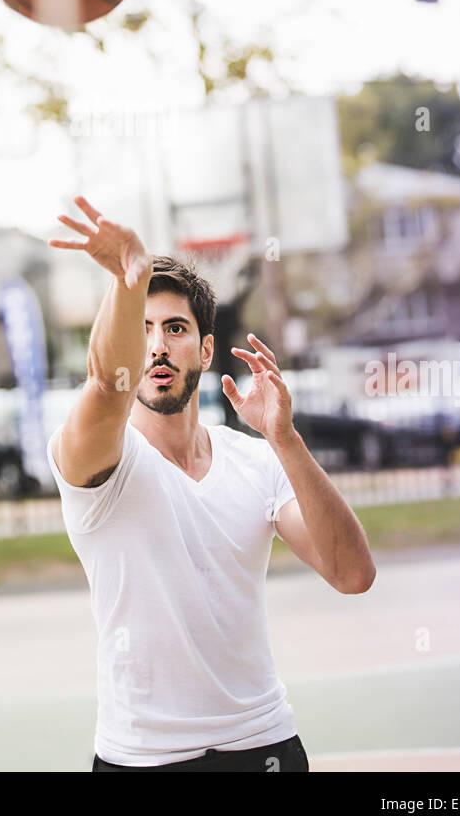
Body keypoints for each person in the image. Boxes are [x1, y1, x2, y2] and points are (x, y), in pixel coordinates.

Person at [47, 195, 376, 772]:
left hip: (264, 744)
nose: (157, 346)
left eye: (175, 328)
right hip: (144, 757)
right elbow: (107, 384)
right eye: (144, 329)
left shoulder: (255, 461)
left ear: (204, 350)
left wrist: (286, 440)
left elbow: (352, 574)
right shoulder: (99, 462)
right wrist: (129, 281)